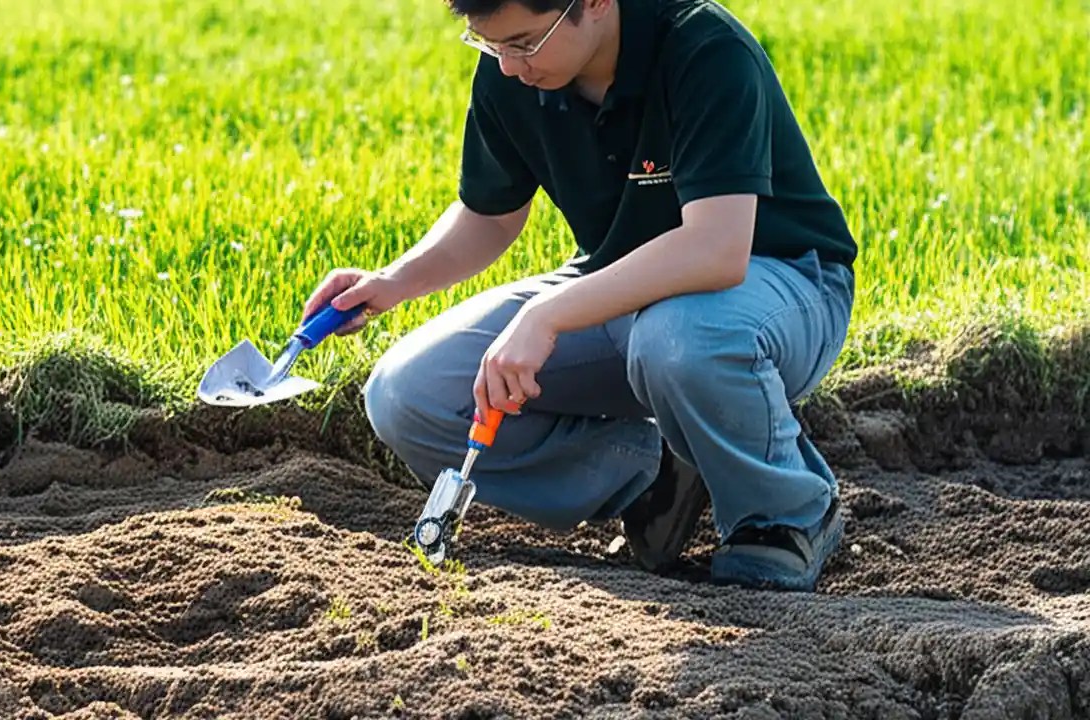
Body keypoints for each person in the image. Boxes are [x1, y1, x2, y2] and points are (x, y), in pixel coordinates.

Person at [301, 0, 858, 592]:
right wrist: (391, 282)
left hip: (778, 284)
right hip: (621, 290)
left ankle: (786, 513)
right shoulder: (517, 70)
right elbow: (488, 218)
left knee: (678, 341)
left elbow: (717, 249)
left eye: (522, 43)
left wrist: (548, 315)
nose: (509, 67)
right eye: (489, 45)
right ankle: (659, 475)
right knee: (407, 394)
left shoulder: (705, 47)